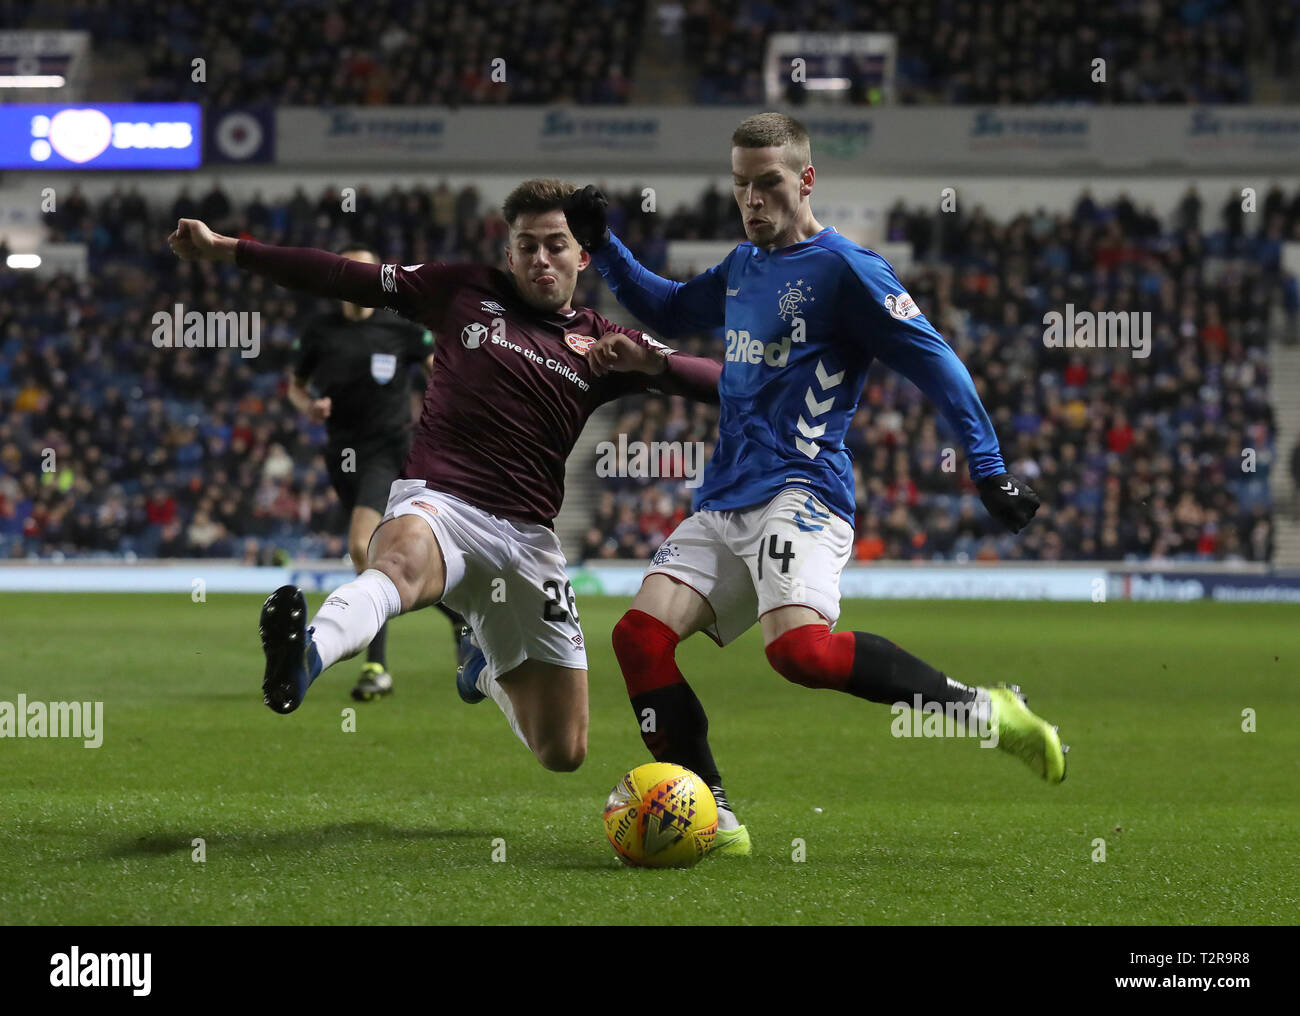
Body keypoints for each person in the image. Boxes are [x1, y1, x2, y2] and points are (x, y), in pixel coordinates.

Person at [564, 112, 1065, 855]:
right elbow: (667, 307)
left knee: (799, 655)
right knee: (638, 639)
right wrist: (603, 246)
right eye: (741, 187)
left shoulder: (848, 271)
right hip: (726, 496)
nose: (753, 201)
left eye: (768, 185)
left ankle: (985, 712)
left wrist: (987, 467)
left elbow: (937, 362)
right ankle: (716, 817)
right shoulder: (742, 265)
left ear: (805, 181)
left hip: (804, 490)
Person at [168, 179, 722, 772]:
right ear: (507, 254)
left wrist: (654, 362)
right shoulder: (460, 290)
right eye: (526, 245)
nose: (540, 258)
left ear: (583, 254)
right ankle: (306, 658)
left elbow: (720, 384)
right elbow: (340, 276)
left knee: (564, 750)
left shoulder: (605, 344)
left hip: (531, 542)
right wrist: (229, 247)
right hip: (442, 507)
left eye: (556, 245)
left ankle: (481, 671)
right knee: (397, 565)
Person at [287, 245, 462, 702]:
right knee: (383, 557)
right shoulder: (320, 331)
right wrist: (311, 405)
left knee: (360, 547)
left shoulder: (399, 325)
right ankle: (457, 614)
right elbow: (296, 386)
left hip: (389, 451)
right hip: (341, 453)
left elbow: (437, 370)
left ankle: (376, 666)